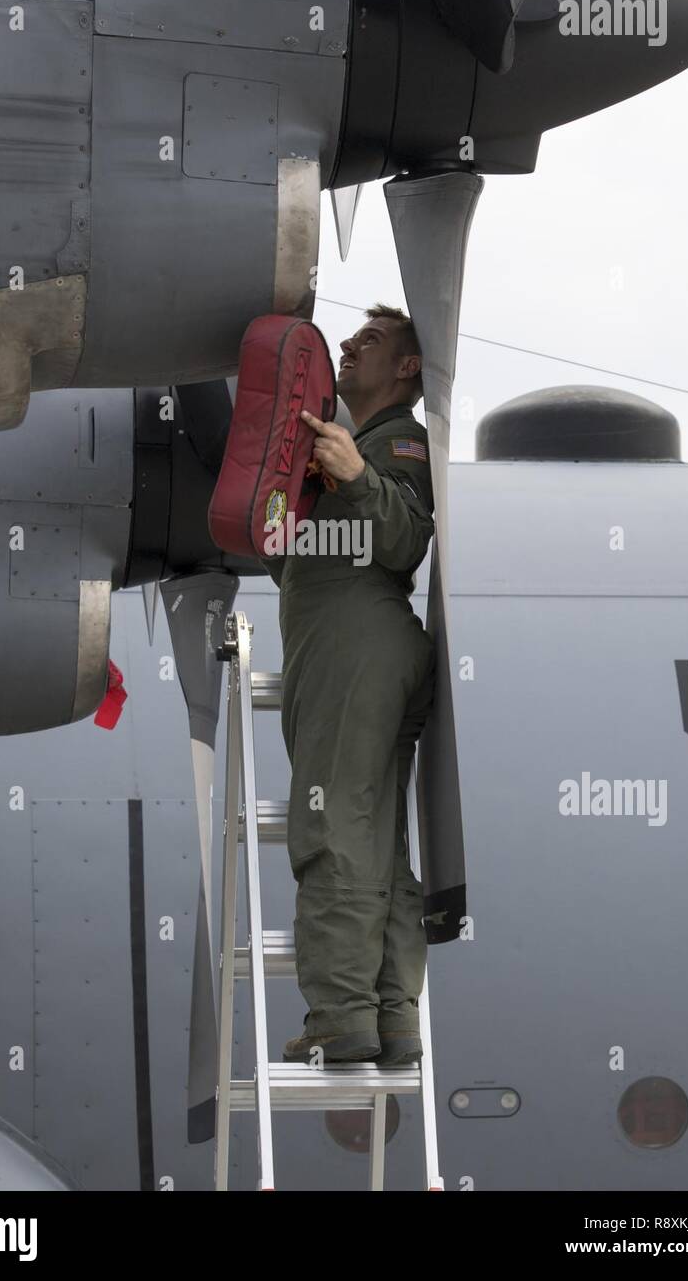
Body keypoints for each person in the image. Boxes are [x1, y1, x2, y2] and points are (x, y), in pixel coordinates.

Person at [264, 304, 436, 1066]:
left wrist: (358, 475)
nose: (347, 347)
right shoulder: (349, 445)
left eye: (369, 341)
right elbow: (305, 556)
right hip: (347, 648)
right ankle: (393, 1016)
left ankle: (339, 1018)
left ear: (405, 368)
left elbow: (402, 539)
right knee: (375, 844)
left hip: (353, 648)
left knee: (332, 831)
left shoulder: (395, 442)